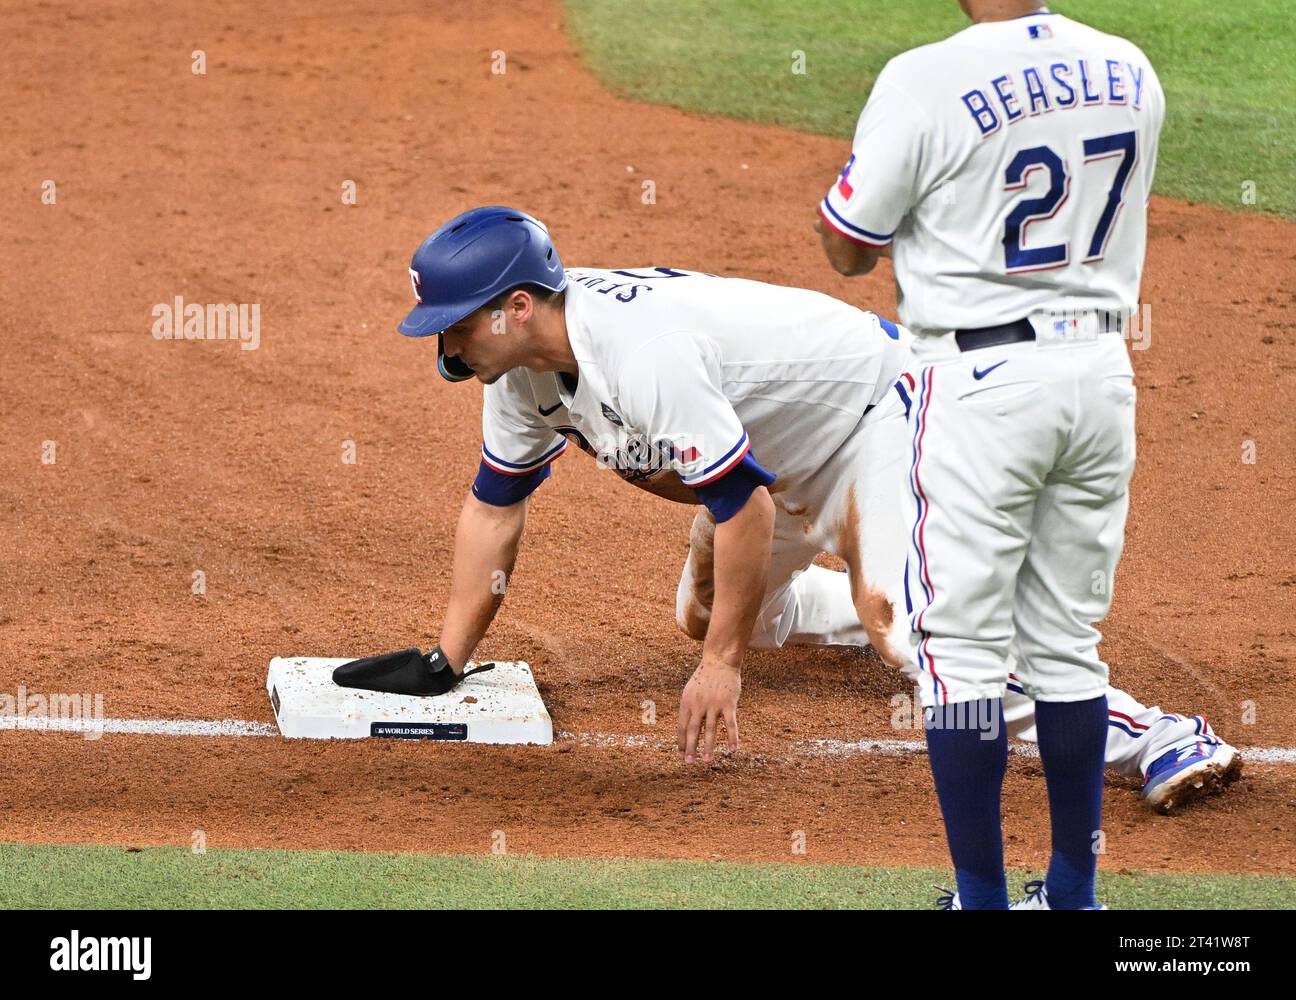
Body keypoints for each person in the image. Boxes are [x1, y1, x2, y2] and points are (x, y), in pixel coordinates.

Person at [336, 205, 1239, 819]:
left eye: (456, 324)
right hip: (781, 459)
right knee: (705, 610)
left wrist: (721, 668)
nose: (445, 346)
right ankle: (893, 594)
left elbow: (743, 504)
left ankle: (1153, 735)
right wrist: (444, 659)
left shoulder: (644, 353)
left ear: (518, 306)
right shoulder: (517, 371)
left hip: (884, 418)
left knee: (901, 639)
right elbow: (495, 509)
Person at [814, 1, 1208, 908]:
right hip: (1102, 375)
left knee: (958, 655)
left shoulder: (925, 75)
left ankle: (981, 903)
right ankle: (1073, 895)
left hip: (980, 384)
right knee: (1069, 647)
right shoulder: (1129, 67)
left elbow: (847, 246)